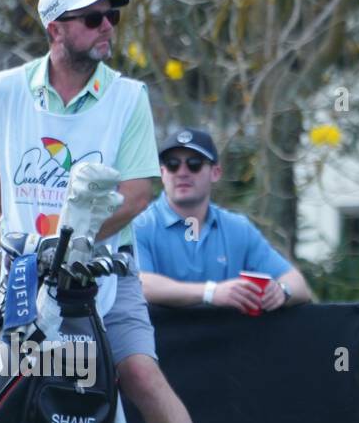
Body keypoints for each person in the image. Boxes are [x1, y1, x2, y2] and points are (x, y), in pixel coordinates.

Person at [0, 0, 203, 423]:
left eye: (111, 16)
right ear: (55, 30)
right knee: (7, 374)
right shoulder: (4, 91)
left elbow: (137, 193)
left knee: (140, 374)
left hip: (105, 270)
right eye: (92, 18)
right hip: (23, 274)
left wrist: (71, 247)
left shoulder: (128, 97)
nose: (107, 26)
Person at [133, 127, 313, 313]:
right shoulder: (139, 225)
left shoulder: (238, 228)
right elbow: (138, 284)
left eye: (194, 163)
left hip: (228, 342)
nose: (182, 172)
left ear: (216, 172)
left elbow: (298, 285)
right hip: (161, 341)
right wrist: (211, 293)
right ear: (162, 173)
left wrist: (281, 291)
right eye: (172, 164)